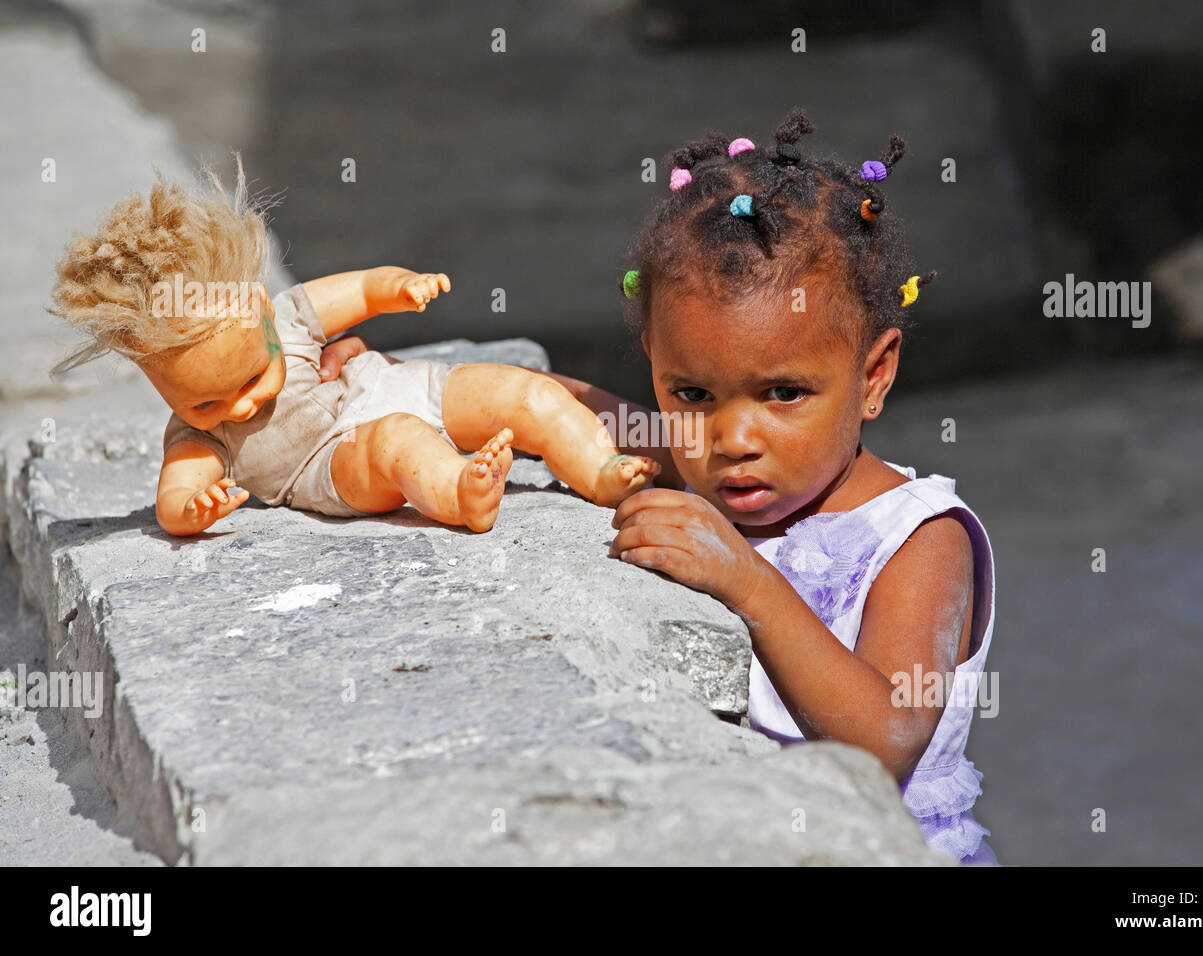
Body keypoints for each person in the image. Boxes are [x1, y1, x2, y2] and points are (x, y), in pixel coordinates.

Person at [314, 108, 999, 864]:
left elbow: (887, 740)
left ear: (874, 375)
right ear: (652, 360)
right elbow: (552, 405)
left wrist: (745, 581)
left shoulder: (919, 538)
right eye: (692, 394)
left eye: (783, 394)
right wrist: (382, 385)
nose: (734, 440)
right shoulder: (693, 455)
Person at [47, 162, 658, 536]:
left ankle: (600, 470)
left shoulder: (285, 315)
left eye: (253, 377)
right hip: (333, 462)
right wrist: (195, 508)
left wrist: (402, 287)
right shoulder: (197, 437)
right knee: (396, 442)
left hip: (391, 384)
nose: (236, 409)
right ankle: (460, 494)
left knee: (522, 391)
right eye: (206, 404)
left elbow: (362, 289)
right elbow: (174, 500)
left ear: (260, 309)